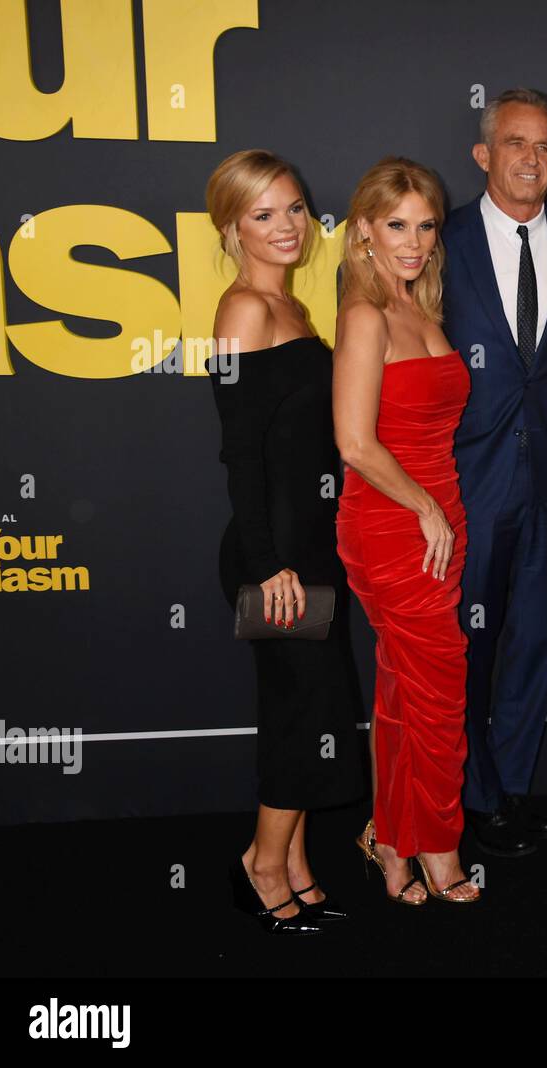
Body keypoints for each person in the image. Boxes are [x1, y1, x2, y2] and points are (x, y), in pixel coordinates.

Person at [442, 88, 547, 857]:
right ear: (483, 154)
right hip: (464, 484)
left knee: (537, 642)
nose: (531, 160)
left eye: (545, 146)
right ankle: (465, 797)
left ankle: (507, 790)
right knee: (465, 647)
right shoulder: (439, 242)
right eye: (515, 143)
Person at [206, 149, 364, 934]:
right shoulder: (243, 311)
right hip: (274, 559)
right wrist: (269, 567)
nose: (286, 226)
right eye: (263, 213)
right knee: (306, 714)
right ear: (232, 227)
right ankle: (261, 867)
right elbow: (239, 452)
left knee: (303, 712)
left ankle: (296, 866)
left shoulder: (295, 310)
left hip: (309, 549)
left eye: (295, 208)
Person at [333, 157, 481, 904]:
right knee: (438, 688)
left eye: (425, 226)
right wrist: (424, 507)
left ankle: (391, 840)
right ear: (364, 231)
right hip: (393, 524)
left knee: (402, 687)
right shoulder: (365, 314)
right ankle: (440, 845)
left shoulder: (422, 310)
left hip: (439, 518)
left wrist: (439, 509)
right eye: (397, 225)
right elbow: (355, 443)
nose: (415, 240)